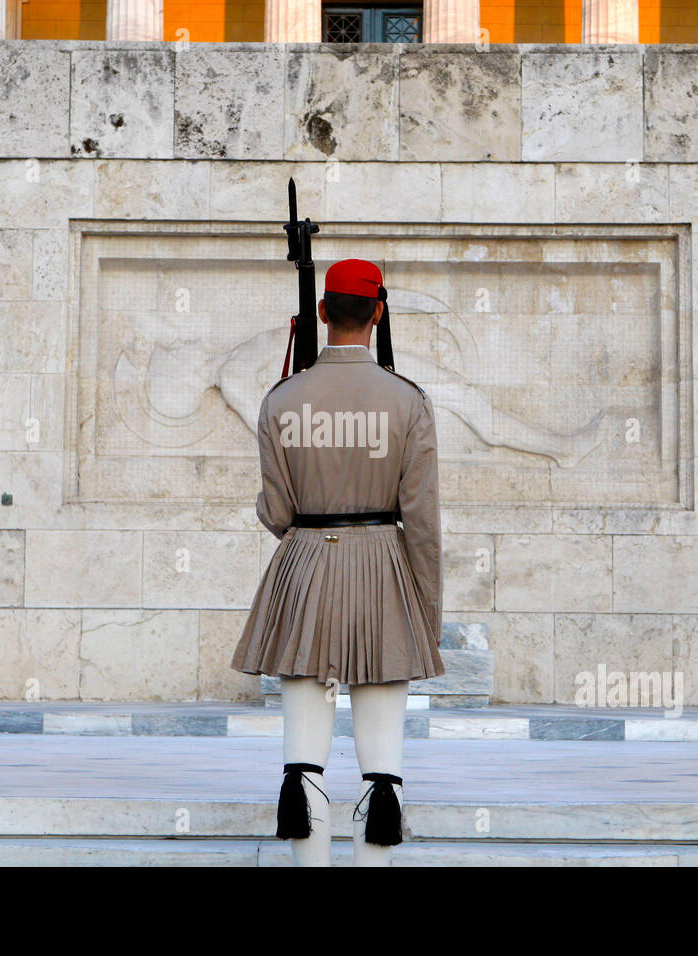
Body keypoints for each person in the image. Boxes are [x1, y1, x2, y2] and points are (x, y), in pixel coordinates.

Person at [232, 258, 444, 865]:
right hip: (383, 575)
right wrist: (425, 611)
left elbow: (276, 512)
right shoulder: (408, 401)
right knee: (383, 772)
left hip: (305, 576)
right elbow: (422, 521)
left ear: (322, 313)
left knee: (302, 764)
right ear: (379, 313)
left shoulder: (282, 398)